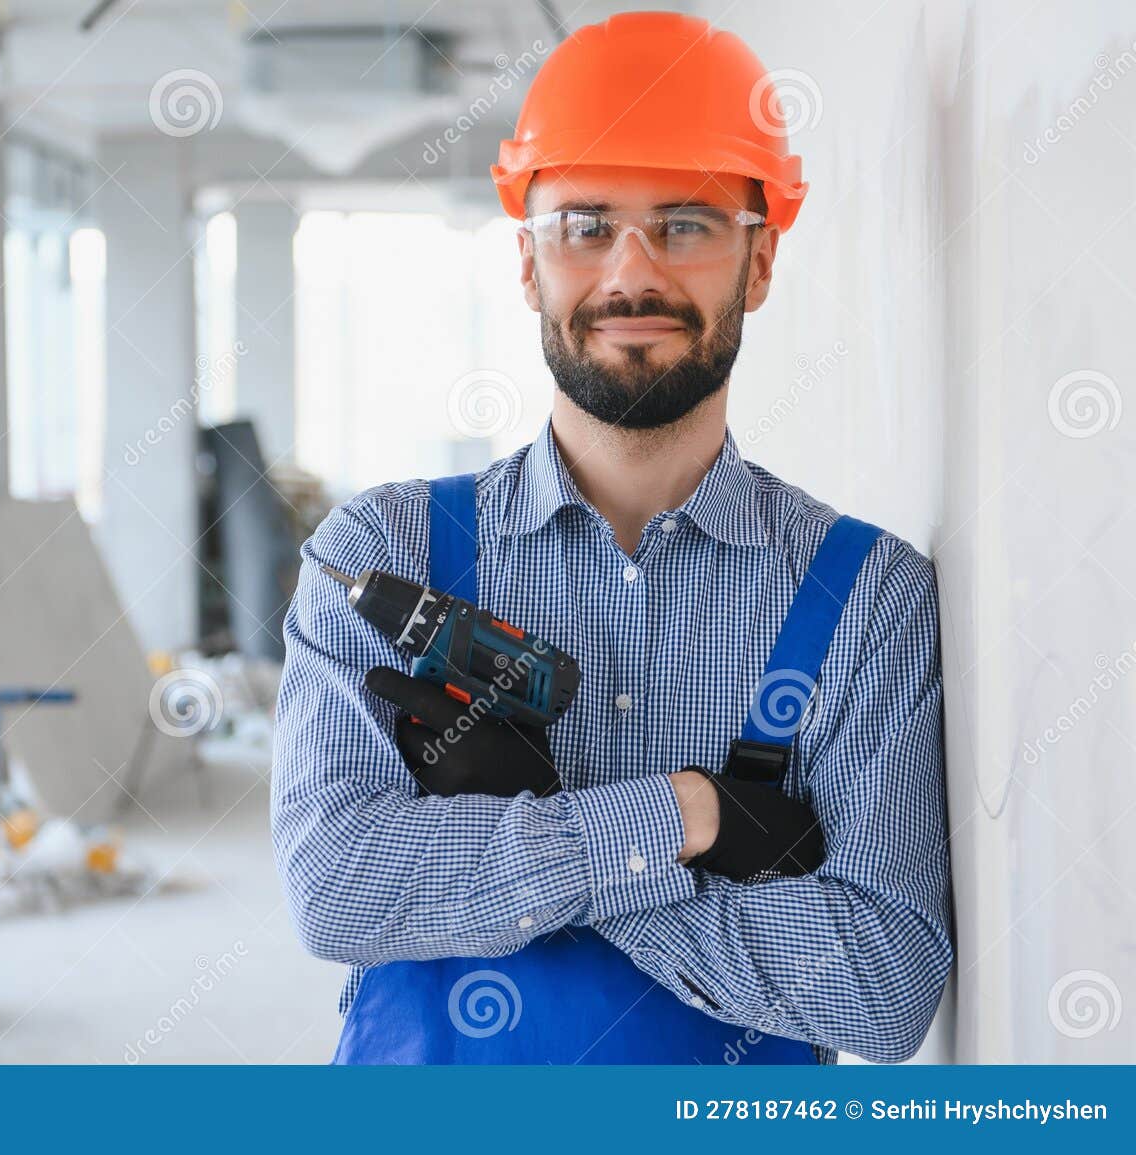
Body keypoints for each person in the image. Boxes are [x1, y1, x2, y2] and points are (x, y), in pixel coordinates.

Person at [270, 11, 952, 1065]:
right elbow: (336, 891)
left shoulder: (865, 594)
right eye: (584, 225)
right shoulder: (381, 552)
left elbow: (878, 988)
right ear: (529, 266)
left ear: (758, 264)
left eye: (686, 223)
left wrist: (523, 839)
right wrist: (682, 820)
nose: (631, 275)